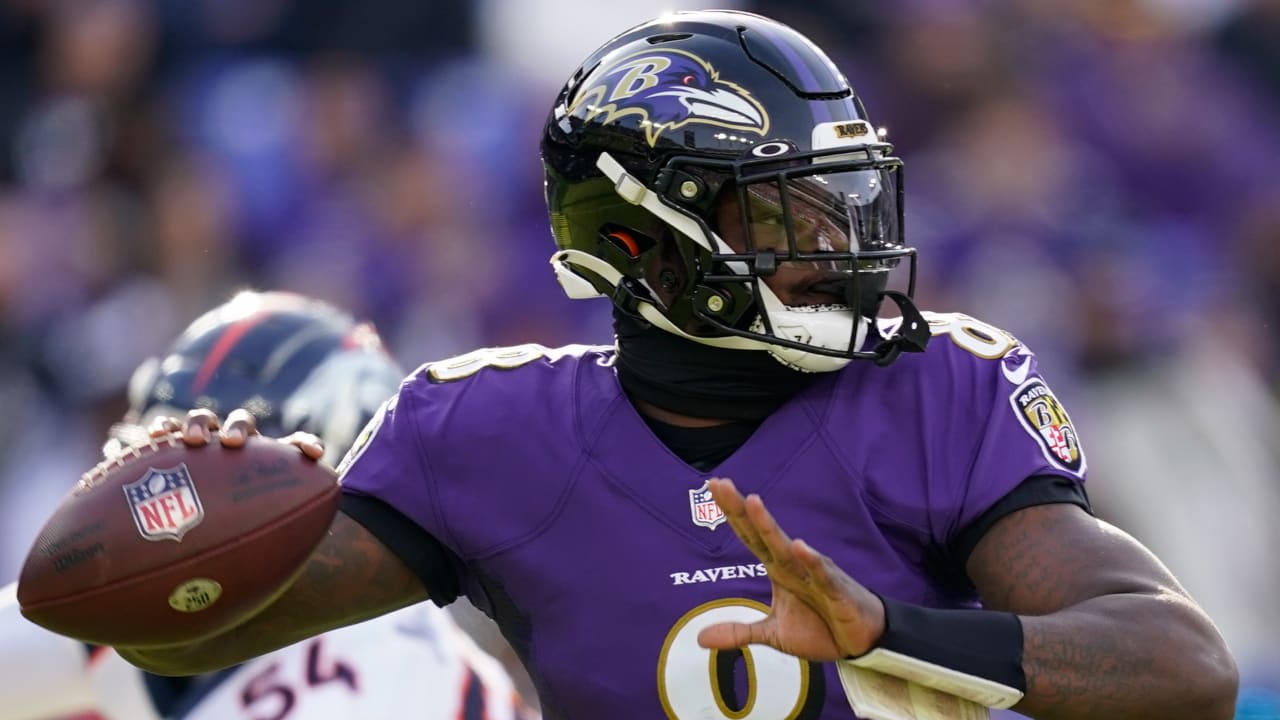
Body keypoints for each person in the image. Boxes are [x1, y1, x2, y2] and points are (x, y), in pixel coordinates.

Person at [84, 10, 1237, 719]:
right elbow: (178, 628)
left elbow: (1179, 667)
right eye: (786, 217)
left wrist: (890, 637)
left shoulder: (937, 390)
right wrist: (170, 510)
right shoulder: (479, 434)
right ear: (643, 243)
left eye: (841, 206)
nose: (836, 249)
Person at [1, 290, 533, 720]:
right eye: (159, 455)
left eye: (211, 469)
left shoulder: (382, 660)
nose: (172, 493)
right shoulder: (142, 616)